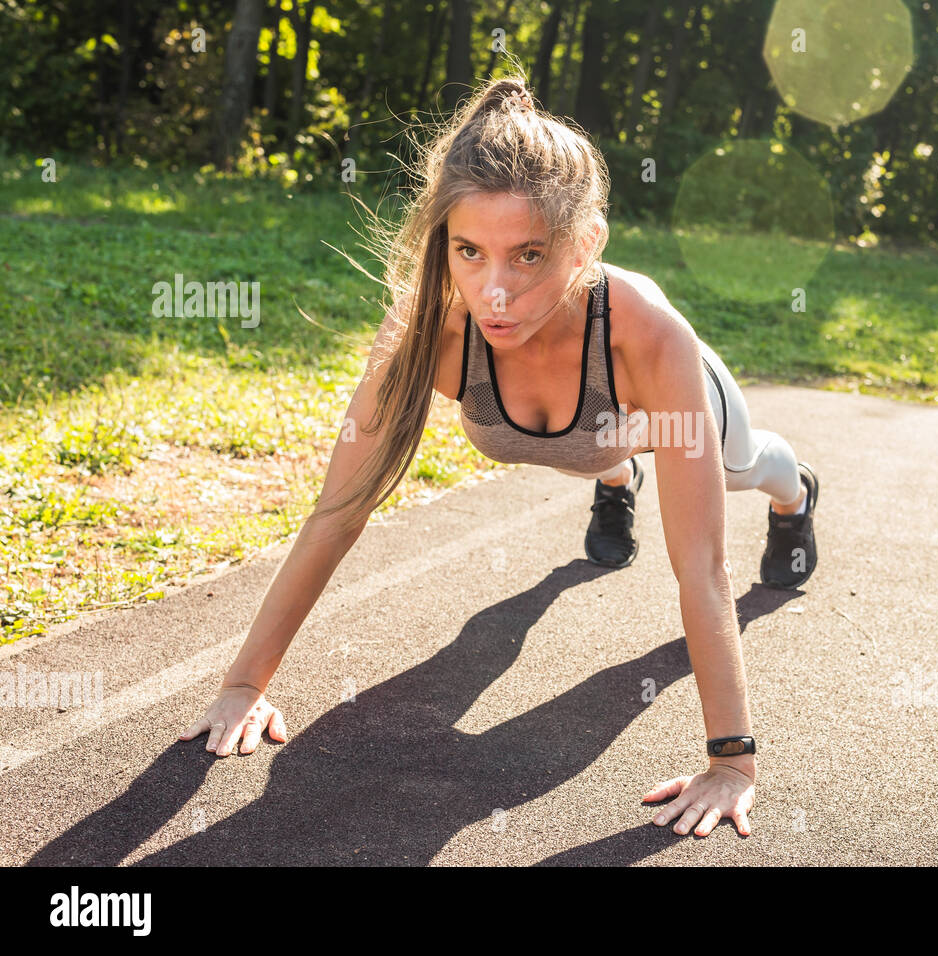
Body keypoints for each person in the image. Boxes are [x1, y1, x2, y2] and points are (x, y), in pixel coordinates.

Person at [180, 74, 820, 840]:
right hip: (589, 436)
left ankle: (796, 495)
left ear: (587, 244)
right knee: (587, 465)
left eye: (529, 256)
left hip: (645, 415)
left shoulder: (650, 338)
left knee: (742, 469)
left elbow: (702, 567)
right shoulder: (427, 328)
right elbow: (338, 513)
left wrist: (731, 762)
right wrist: (244, 684)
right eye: (470, 252)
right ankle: (612, 477)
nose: (495, 293)